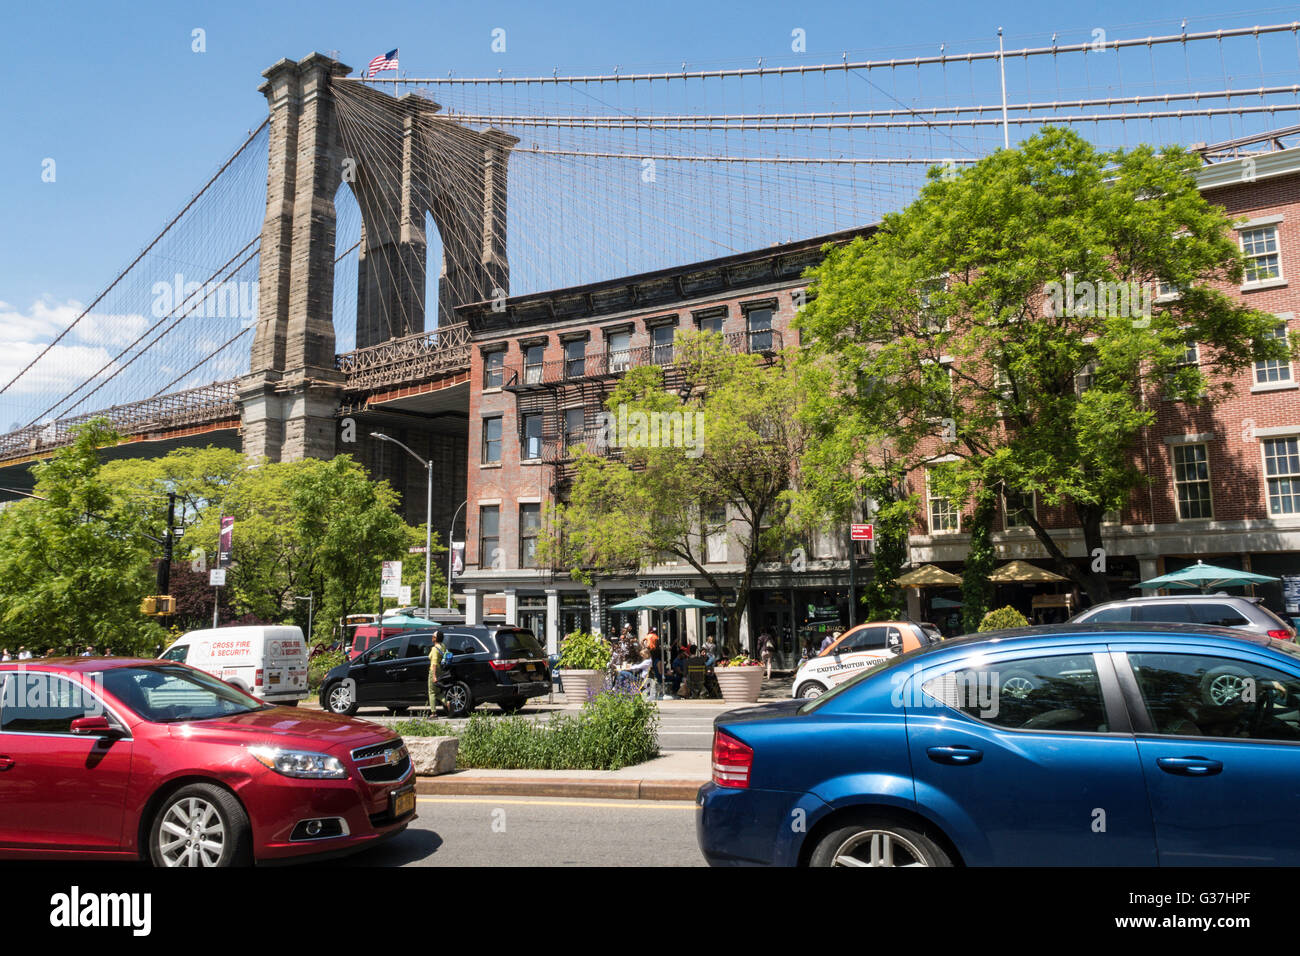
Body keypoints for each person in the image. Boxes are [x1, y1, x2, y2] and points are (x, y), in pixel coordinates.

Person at [427, 630, 449, 716]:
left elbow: (434, 663)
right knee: (438, 692)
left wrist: (434, 676)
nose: (431, 637)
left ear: (435, 638)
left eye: (433, 636)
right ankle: (447, 703)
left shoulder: (434, 649)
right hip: (441, 671)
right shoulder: (442, 646)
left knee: (431, 692)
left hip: (434, 671)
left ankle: (433, 712)